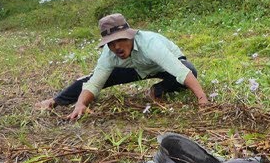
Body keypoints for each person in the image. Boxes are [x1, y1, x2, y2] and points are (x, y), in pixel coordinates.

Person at [36, 13, 210, 121]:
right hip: (136, 68)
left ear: (129, 36)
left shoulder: (150, 44)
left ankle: (157, 90)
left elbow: (180, 70)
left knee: (190, 71)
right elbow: (95, 82)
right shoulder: (109, 54)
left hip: (162, 65)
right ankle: (55, 100)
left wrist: (202, 100)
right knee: (91, 78)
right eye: (111, 43)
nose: (117, 47)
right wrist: (81, 104)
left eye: (120, 40)